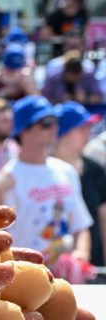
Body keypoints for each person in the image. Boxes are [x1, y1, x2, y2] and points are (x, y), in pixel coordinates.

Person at [0, 95, 92, 274]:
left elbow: (80, 226)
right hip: (26, 276)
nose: (54, 127)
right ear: (23, 131)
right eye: (46, 123)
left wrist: (81, 254)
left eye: (55, 122)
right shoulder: (5, 180)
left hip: (65, 277)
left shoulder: (66, 171)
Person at [52, 101, 106, 280]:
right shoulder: (43, 171)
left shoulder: (95, 169)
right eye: (82, 128)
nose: (88, 133)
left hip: (91, 268)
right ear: (63, 132)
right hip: (49, 268)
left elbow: (104, 218)